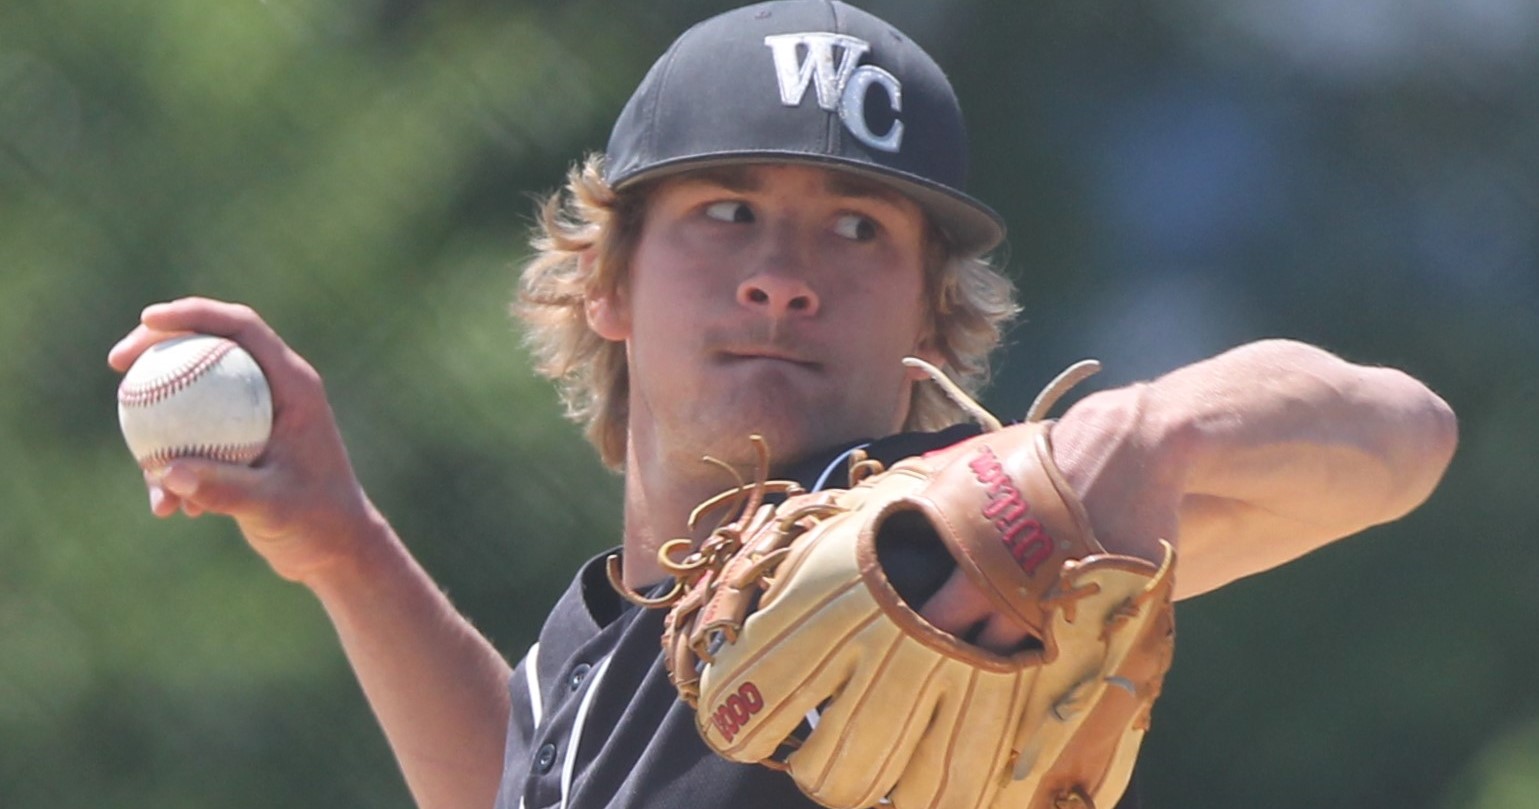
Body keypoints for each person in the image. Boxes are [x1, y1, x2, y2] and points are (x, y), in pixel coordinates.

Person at [107, 2, 1458, 808]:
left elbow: (1401, 433)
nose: (784, 279)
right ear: (608, 286)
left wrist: (1157, 431)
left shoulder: (944, 549)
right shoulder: (593, 652)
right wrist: (348, 551)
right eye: (727, 212)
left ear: (935, 315)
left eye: (858, 230)